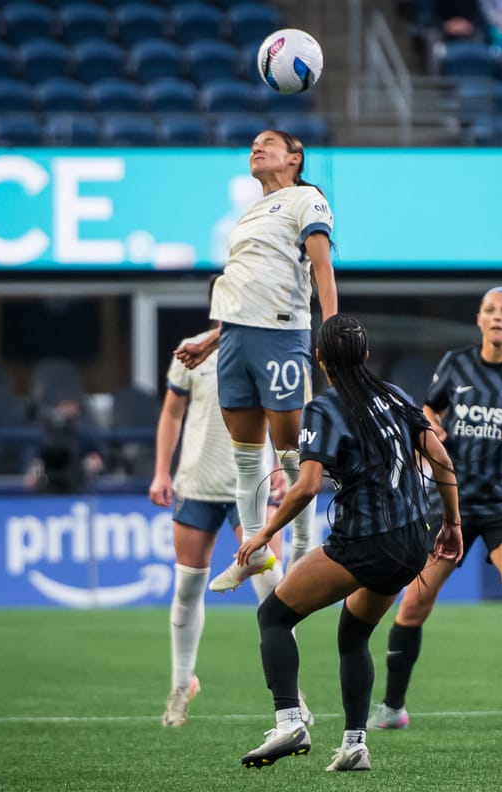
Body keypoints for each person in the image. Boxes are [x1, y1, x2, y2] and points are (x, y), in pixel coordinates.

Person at [234, 314, 462, 772]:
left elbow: (307, 486)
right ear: (367, 355)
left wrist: (263, 532)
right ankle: (355, 744)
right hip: (413, 540)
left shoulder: (325, 407)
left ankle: (288, 721)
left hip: (366, 541)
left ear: (319, 358)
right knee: (354, 634)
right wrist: (452, 524)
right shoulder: (395, 394)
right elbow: (439, 455)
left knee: (274, 616)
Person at [369, 287, 502, 730]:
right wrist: (432, 427)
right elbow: (426, 411)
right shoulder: (455, 364)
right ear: (479, 320)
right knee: (414, 604)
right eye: (490, 310)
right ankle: (392, 707)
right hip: (452, 501)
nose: (497, 317)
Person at [176, 129, 335, 592]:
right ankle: (255, 553)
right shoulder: (248, 215)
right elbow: (245, 288)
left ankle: (305, 543)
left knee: (290, 449)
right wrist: (212, 340)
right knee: (246, 457)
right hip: (236, 339)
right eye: (252, 145)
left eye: (268, 143)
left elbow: (323, 268)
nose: (256, 148)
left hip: (281, 336)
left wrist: (329, 329)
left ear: (294, 156)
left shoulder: (305, 199)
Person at [150, 331, 314, 728]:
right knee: (187, 587)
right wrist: (160, 471)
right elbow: (172, 413)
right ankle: (180, 685)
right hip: (197, 486)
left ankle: (292, 692)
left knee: (273, 593)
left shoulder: (271, 348)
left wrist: (283, 466)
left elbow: (290, 416)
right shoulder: (191, 351)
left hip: (255, 488)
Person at [24, 395, 104, 494]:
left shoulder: (85, 436)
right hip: (48, 488)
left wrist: (92, 464)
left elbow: (98, 461)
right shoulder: (45, 436)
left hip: (77, 487)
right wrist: (33, 472)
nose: (67, 411)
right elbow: (35, 461)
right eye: (64, 406)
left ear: (77, 410)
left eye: (70, 406)